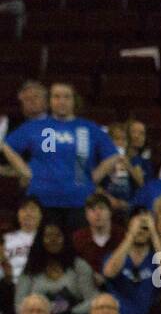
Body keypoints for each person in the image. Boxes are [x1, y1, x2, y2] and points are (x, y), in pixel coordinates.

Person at [0, 82, 118, 230]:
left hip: (80, 200)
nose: (61, 101)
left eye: (67, 97)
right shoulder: (36, 125)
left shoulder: (88, 127)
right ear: (49, 100)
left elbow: (112, 154)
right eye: (56, 97)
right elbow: (7, 146)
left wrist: (95, 176)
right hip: (42, 199)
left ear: (74, 100)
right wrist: (24, 172)